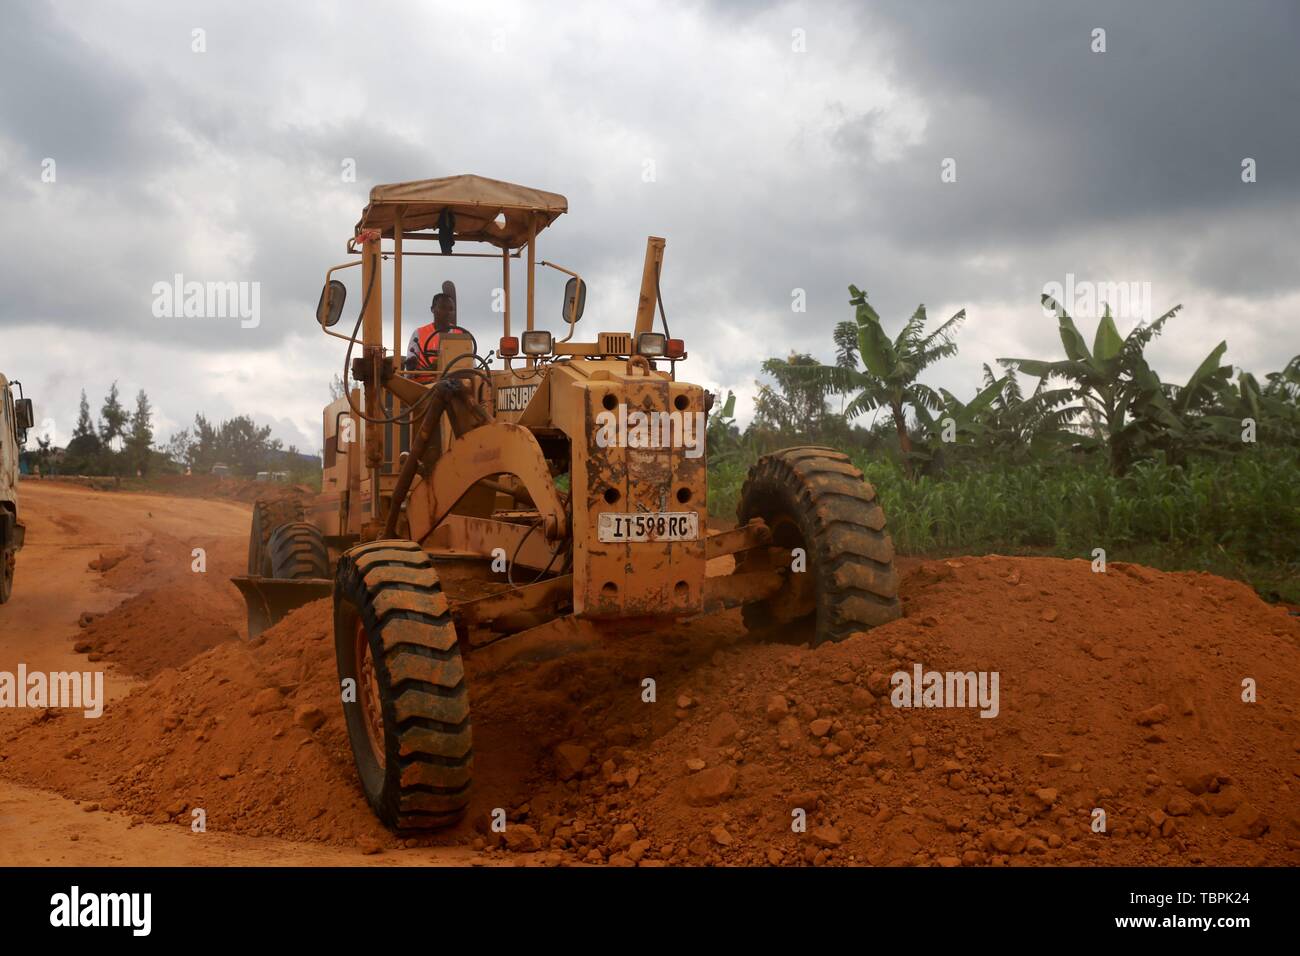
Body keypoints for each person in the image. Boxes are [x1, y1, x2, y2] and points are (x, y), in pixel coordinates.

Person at [406, 281, 467, 374]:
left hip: (455, 383)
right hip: (423, 385)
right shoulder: (419, 333)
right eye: (443, 307)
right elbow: (409, 371)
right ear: (432, 309)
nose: (447, 312)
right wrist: (411, 366)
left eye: (451, 309)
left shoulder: (462, 335)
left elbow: (471, 366)